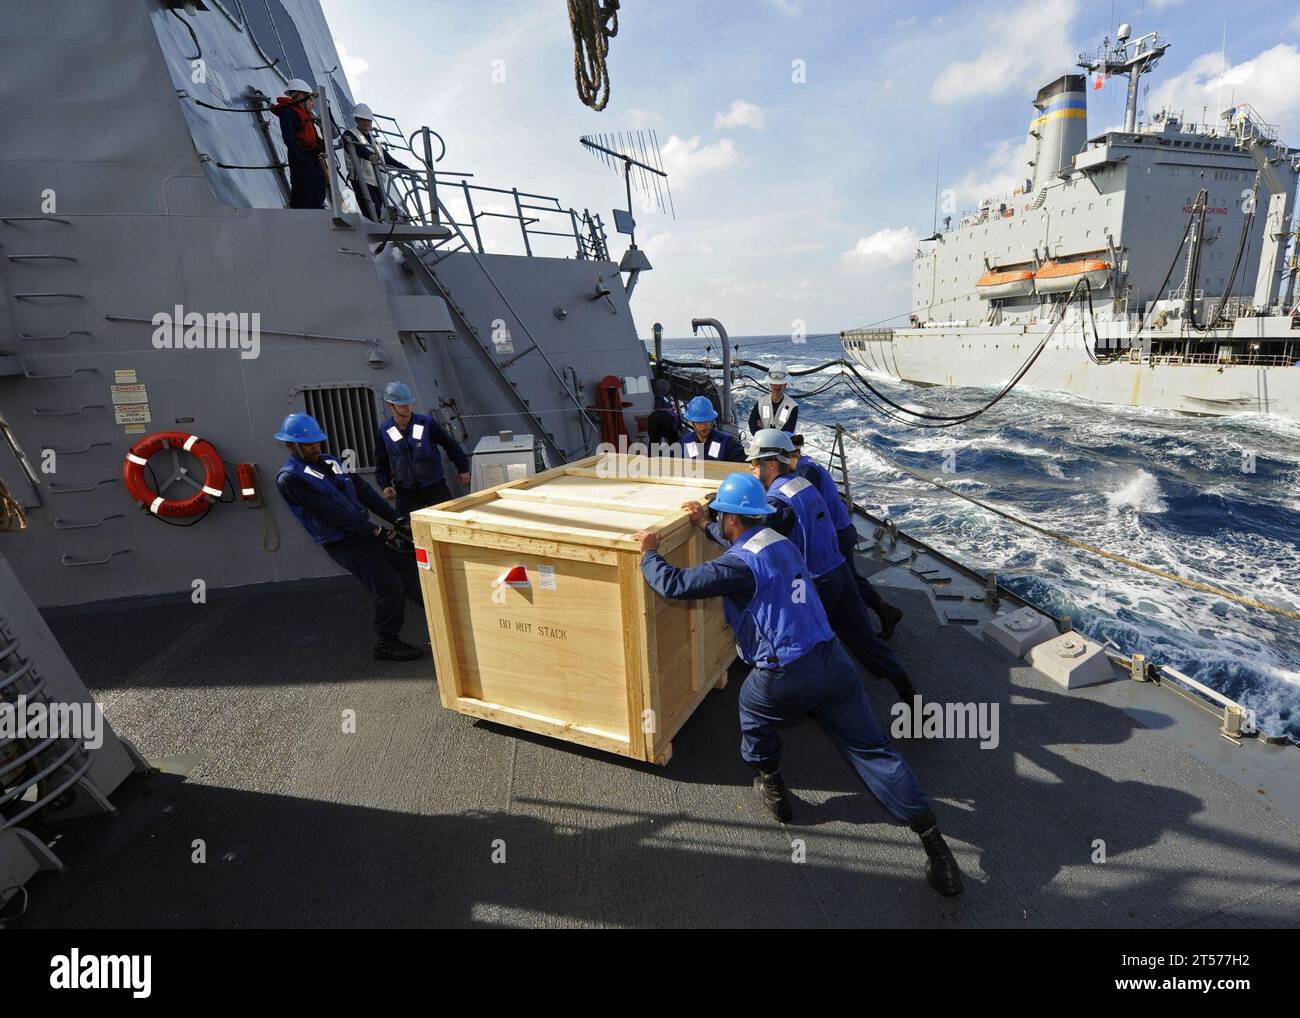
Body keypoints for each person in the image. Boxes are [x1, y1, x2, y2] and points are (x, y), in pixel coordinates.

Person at [633, 472, 963, 897]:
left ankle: (772, 785)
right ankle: (936, 846)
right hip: (833, 662)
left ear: (733, 518)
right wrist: (705, 526)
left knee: (751, 712)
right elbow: (741, 548)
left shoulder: (737, 565)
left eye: (720, 515)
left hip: (786, 673)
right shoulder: (778, 540)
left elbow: (675, 584)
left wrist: (648, 554)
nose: (719, 519)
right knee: (874, 751)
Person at [712, 428, 916, 701]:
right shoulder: (801, 483)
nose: (751, 468)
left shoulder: (776, 501)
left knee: (803, 647)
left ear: (771, 463)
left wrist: (707, 523)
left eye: (755, 463)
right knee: (867, 642)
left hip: (817, 583)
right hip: (840, 571)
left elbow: (748, 537)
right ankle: (911, 696)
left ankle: (815, 704)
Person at [273, 412, 424, 661]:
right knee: (388, 585)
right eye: (308, 444)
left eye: (317, 442)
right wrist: (377, 531)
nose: (315, 448)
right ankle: (387, 643)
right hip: (345, 542)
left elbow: (362, 490)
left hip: (363, 532)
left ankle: (440, 626)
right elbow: (333, 514)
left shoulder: (331, 462)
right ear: (291, 445)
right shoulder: (291, 478)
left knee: (409, 571)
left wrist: (395, 519)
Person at [789, 434, 903, 639]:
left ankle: (866, 622)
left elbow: (806, 502)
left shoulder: (805, 472)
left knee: (846, 580)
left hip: (837, 533)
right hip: (842, 528)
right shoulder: (808, 465)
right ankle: (881, 612)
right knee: (849, 577)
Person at [374, 381, 470, 515]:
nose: (407, 407)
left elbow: (451, 445)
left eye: (409, 403)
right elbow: (381, 463)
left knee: (447, 521)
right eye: (402, 405)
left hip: (434, 487)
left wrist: (463, 469)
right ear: (390, 405)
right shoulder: (384, 431)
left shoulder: (426, 424)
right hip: (406, 492)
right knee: (408, 529)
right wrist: (385, 485)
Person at [341, 103, 408, 221]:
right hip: (361, 180)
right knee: (372, 213)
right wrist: (370, 155)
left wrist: (407, 169)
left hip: (377, 182)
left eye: (369, 121)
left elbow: (388, 159)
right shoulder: (349, 134)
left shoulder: (374, 142)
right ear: (357, 120)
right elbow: (358, 149)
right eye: (363, 120)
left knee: (379, 213)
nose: (367, 123)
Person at [270, 79, 327, 210]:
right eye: (311, 99)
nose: (313, 104)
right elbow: (289, 137)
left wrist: (321, 147)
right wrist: (302, 157)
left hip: (311, 157)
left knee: (317, 188)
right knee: (304, 191)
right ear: (301, 96)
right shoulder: (289, 112)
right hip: (301, 159)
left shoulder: (305, 114)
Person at [678, 395, 746, 462]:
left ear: (711, 420)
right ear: (692, 423)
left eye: (706, 421)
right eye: (699, 422)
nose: (703, 426)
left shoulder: (726, 442)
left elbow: (744, 460)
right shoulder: (685, 442)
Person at [747, 361, 798, 435]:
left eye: (779, 384)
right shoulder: (761, 403)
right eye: (774, 384)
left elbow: (788, 430)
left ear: (785, 384)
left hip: (784, 444)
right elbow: (752, 423)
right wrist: (761, 436)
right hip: (763, 441)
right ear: (770, 384)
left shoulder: (792, 406)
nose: (776, 387)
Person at [647, 378, 680, 449]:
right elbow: (659, 408)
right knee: (674, 439)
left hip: (660, 422)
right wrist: (670, 410)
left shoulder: (661, 398)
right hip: (665, 422)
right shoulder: (659, 398)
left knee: (654, 443)